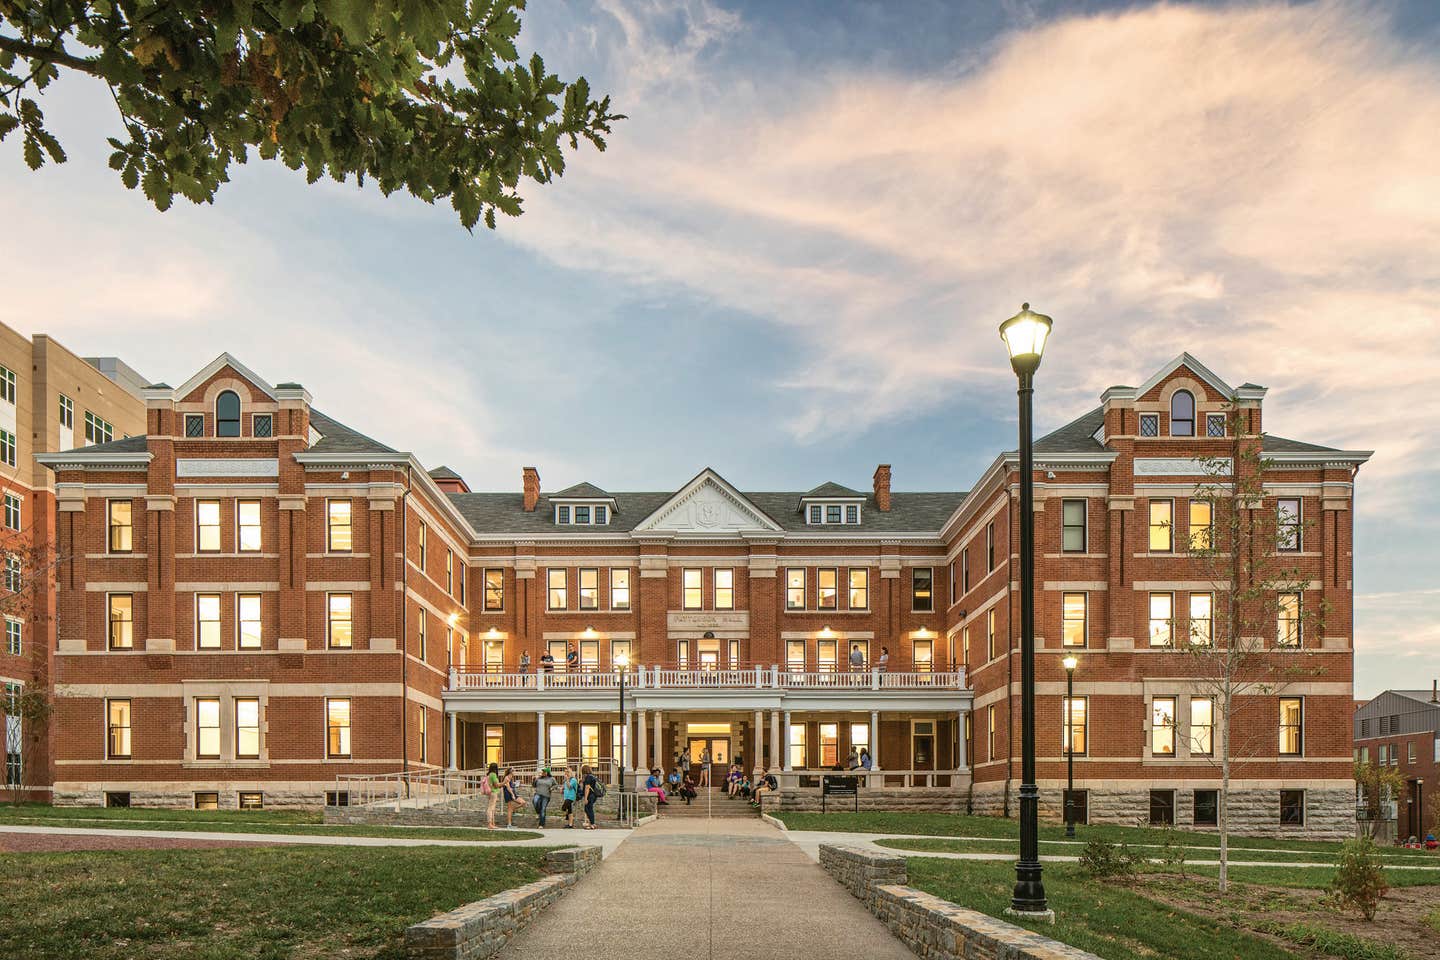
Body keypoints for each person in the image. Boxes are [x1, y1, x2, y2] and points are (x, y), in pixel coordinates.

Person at [579, 764, 599, 829]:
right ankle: (591, 823)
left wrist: (585, 798)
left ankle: (592, 824)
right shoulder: (592, 776)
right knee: (587, 809)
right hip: (593, 795)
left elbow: (587, 788)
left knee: (589, 809)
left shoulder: (588, 777)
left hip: (590, 796)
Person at [484, 762, 501, 829]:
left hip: (491, 792)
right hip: (493, 792)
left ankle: (492, 823)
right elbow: (496, 785)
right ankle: (490, 824)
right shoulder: (493, 775)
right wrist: (504, 783)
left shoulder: (489, 775)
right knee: (490, 808)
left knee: (492, 808)